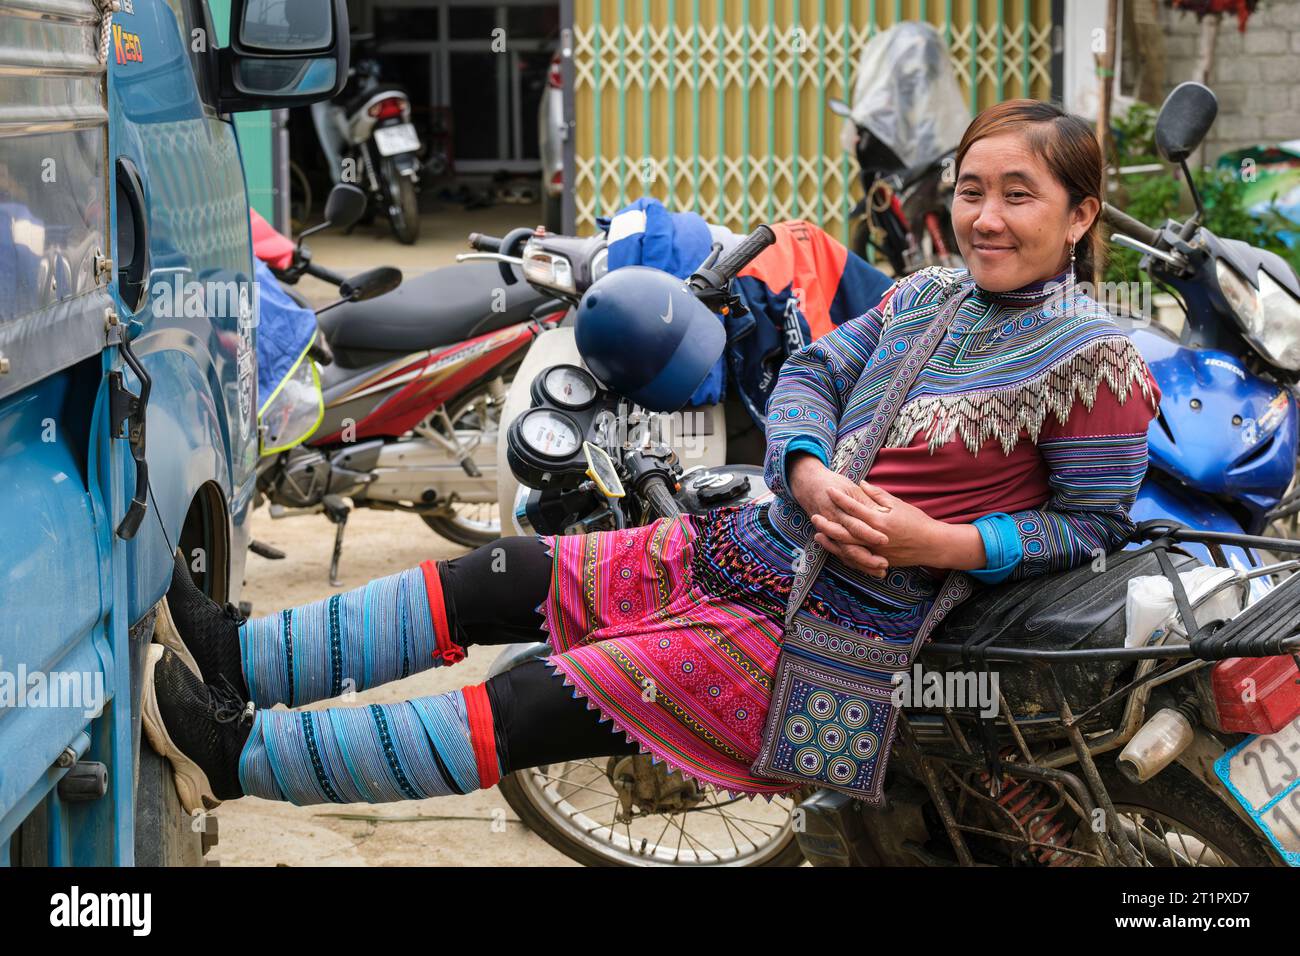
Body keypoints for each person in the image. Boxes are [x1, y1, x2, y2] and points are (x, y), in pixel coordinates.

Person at [144, 99, 1162, 811]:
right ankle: (241, 658)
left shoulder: (1095, 359)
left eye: (1018, 195)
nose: (983, 217)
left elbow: (1090, 528)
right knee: (503, 571)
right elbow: (811, 373)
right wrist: (802, 465)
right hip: (752, 547)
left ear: (1078, 215)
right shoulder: (925, 294)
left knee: (534, 700)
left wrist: (937, 538)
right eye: (972, 189)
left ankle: (235, 755)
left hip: (843, 639)